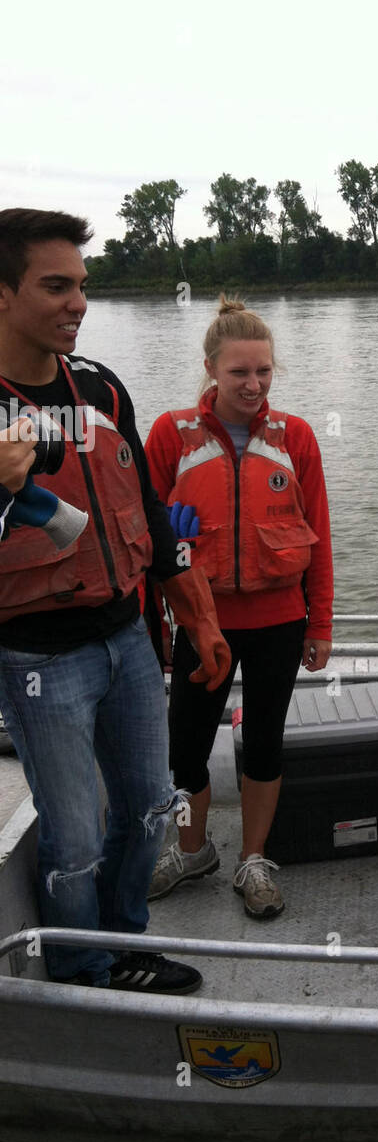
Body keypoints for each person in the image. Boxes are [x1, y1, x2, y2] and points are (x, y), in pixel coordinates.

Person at [0, 208, 230, 992]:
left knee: (146, 809)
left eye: (82, 287)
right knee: (74, 835)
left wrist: (197, 613)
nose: (78, 303)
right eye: (55, 286)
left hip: (128, 638)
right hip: (37, 657)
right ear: (1, 295)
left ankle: (125, 943)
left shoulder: (98, 386)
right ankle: (80, 972)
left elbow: (154, 518)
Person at [145, 296, 333, 918]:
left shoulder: (296, 437)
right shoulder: (171, 436)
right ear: (210, 369)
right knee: (185, 746)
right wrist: (157, 624)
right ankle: (192, 849)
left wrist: (321, 623)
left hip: (281, 621)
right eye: (238, 373)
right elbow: (144, 543)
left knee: (266, 741)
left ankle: (253, 859)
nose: (253, 385)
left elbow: (321, 536)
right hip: (202, 622)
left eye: (264, 372)